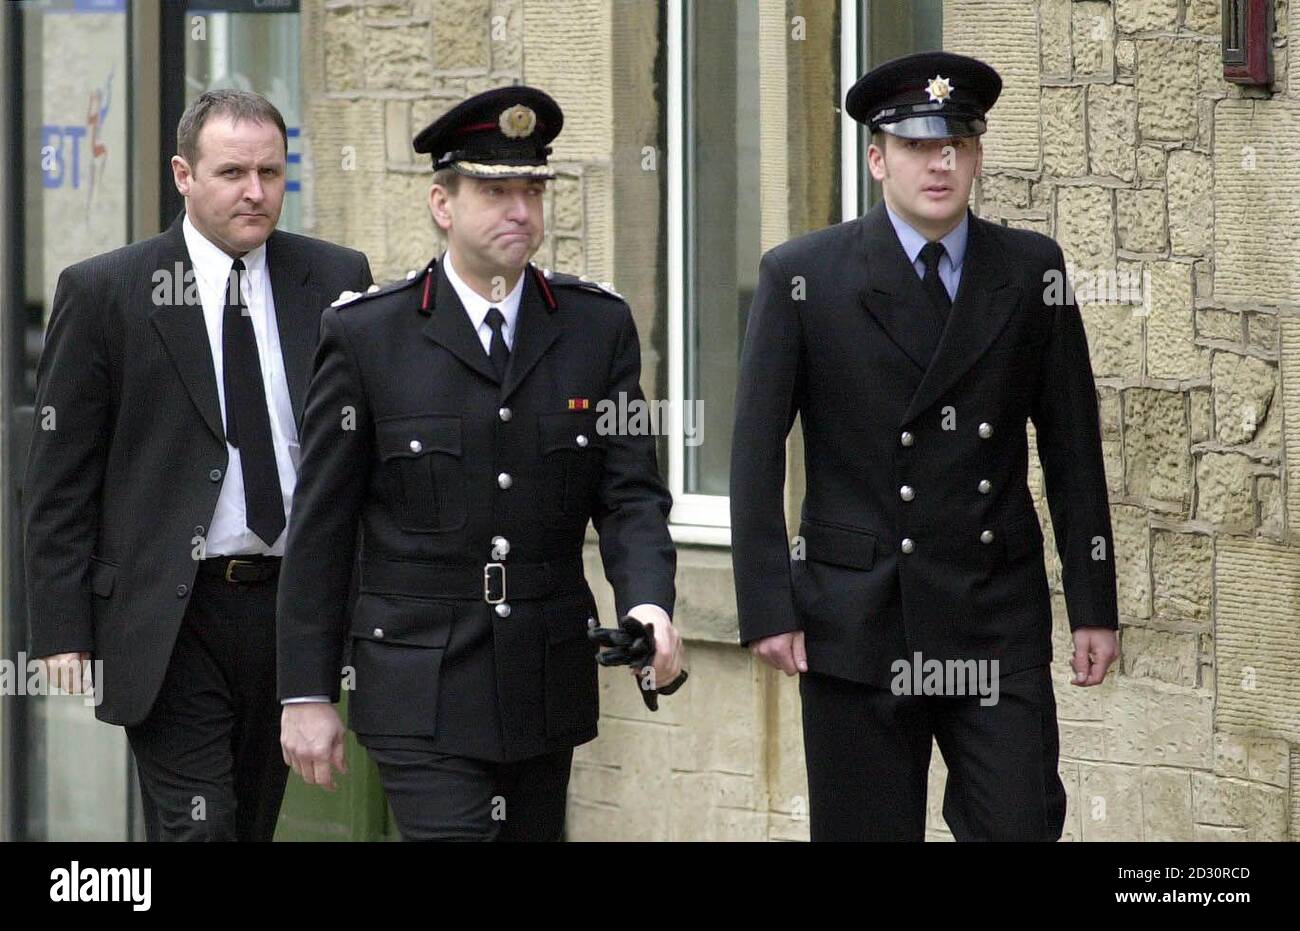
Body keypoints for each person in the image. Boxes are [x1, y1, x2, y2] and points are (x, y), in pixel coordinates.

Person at [276, 85, 683, 841]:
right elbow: (323, 524)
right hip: (416, 687)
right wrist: (306, 690)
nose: (520, 210)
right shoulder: (369, 335)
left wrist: (650, 602)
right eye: (495, 190)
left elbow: (630, 494)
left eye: (532, 189)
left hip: (542, 679)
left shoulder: (596, 328)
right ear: (442, 204)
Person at [730, 51, 1119, 841]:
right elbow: (753, 451)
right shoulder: (805, 276)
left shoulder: (1031, 268)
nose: (938, 162)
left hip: (991, 615)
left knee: (1019, 824)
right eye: (915, 145)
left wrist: (1093, 602)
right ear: (877, 159)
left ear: (976, 156)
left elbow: (1073, 445)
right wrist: (768, 603)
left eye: (957, 144)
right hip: (857, 620)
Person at [24, 89, 373, 841]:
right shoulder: (106, 291)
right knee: (201, 828)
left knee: (250, 822)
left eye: (273, 173)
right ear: (183, 174)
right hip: (170, 613)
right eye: (232, 172)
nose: (256, 192)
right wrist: (61, 627)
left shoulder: (336, 278)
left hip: (295, 606)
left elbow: (362, 453)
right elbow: (59, 480)